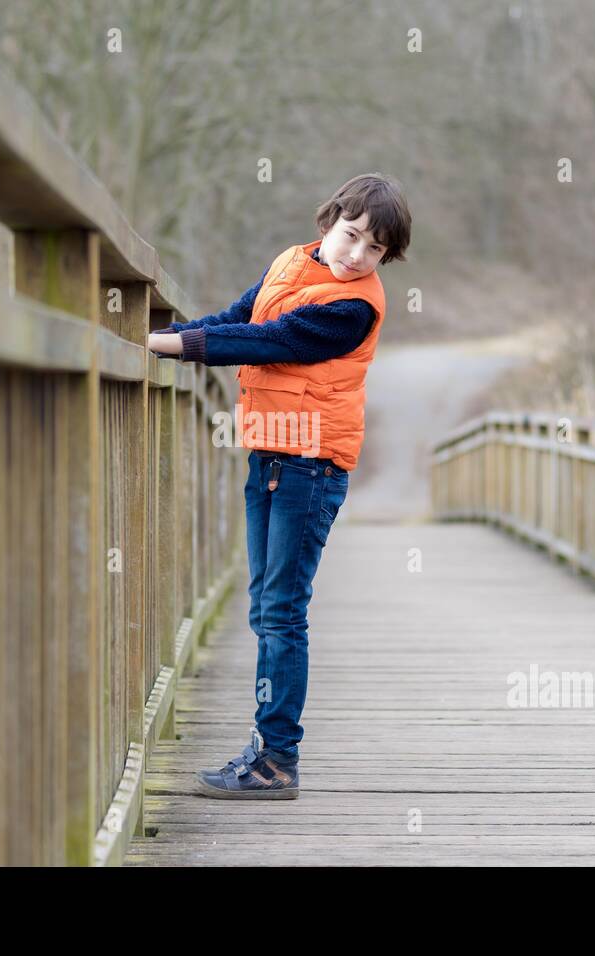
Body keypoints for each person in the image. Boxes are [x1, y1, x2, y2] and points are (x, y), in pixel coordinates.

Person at [147, 172, 411, 799]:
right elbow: (239, 318)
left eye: (373, 250)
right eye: (351, 237)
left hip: (310, 463)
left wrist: (178, 345)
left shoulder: (354, 307)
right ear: (328, 222)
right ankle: (265, 751)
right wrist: (168, 341)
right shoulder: (291, 264)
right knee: (267, 606)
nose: (356, 256)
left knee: (282, 612)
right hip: (272, 454)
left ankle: (277, 761)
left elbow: (272, 341)